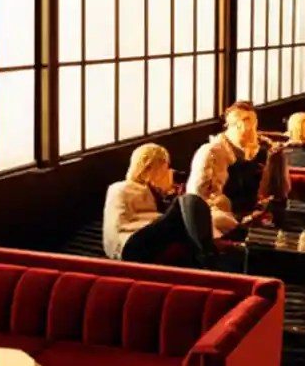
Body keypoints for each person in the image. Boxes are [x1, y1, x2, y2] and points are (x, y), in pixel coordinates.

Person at [187, 101, 271, 231]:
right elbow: (196, 197)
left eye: (254, 126)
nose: (254, 132)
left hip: (250, 216)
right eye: (250, 125)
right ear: (236, 125)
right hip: (222, 221)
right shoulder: (211, 152)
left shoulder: (257, 151)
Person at [103, 143, 172, 260]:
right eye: (164, 169)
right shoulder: (123, 188)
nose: (166, 173)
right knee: (183, 206)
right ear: (150, 168)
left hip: (133, 241)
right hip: (129, 244)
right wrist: (159, 218)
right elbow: (123, 224)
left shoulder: (142, 189)